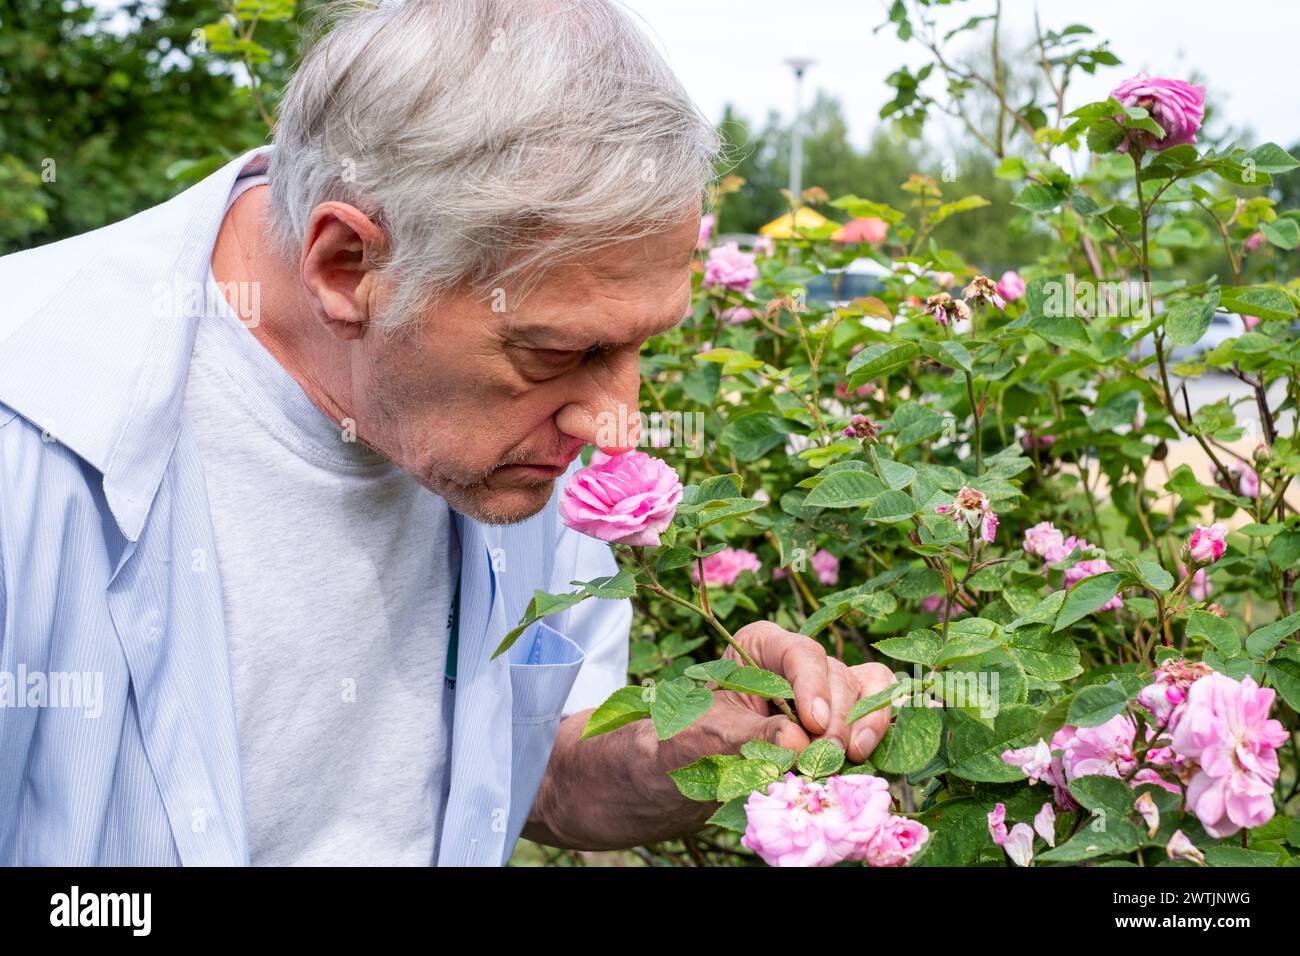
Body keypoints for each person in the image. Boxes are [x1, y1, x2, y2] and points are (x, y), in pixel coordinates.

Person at [0, 0, 893, 866]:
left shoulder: (511, 448)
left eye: (641, 344)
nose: (615, 425)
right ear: (346, 266)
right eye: (556, 350)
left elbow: (529, 779)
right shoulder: (31, 420)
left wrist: (697, 748)